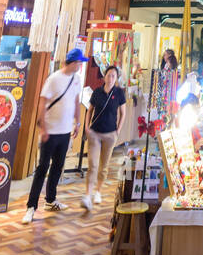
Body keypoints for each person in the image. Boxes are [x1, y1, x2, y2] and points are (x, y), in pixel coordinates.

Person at [23, 49, 85, 223]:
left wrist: (77, 123)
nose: (81, 66)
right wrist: (43, 129)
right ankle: (31, 206)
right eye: (79, 63)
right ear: (72, 62)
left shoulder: (76, 79)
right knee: (42, 168)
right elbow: (42, 103)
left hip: (65, 132)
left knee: (58, 166)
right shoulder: (54, 79)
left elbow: (76, 101)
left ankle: (50, 200)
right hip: (50, 132)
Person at [82, 65, 126, 212]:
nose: (111, 78)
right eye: (109, 75)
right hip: (94, 133)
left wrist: (117, 132)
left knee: (103, 166)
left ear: (116, 78)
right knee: (93, 165)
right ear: (104, 76)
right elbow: (90, 110)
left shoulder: (119, 93)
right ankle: (87, 195)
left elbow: (123, 113)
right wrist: (87, 127)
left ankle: (98, 191)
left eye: (114, 76)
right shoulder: (97, 92)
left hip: (110, 134)